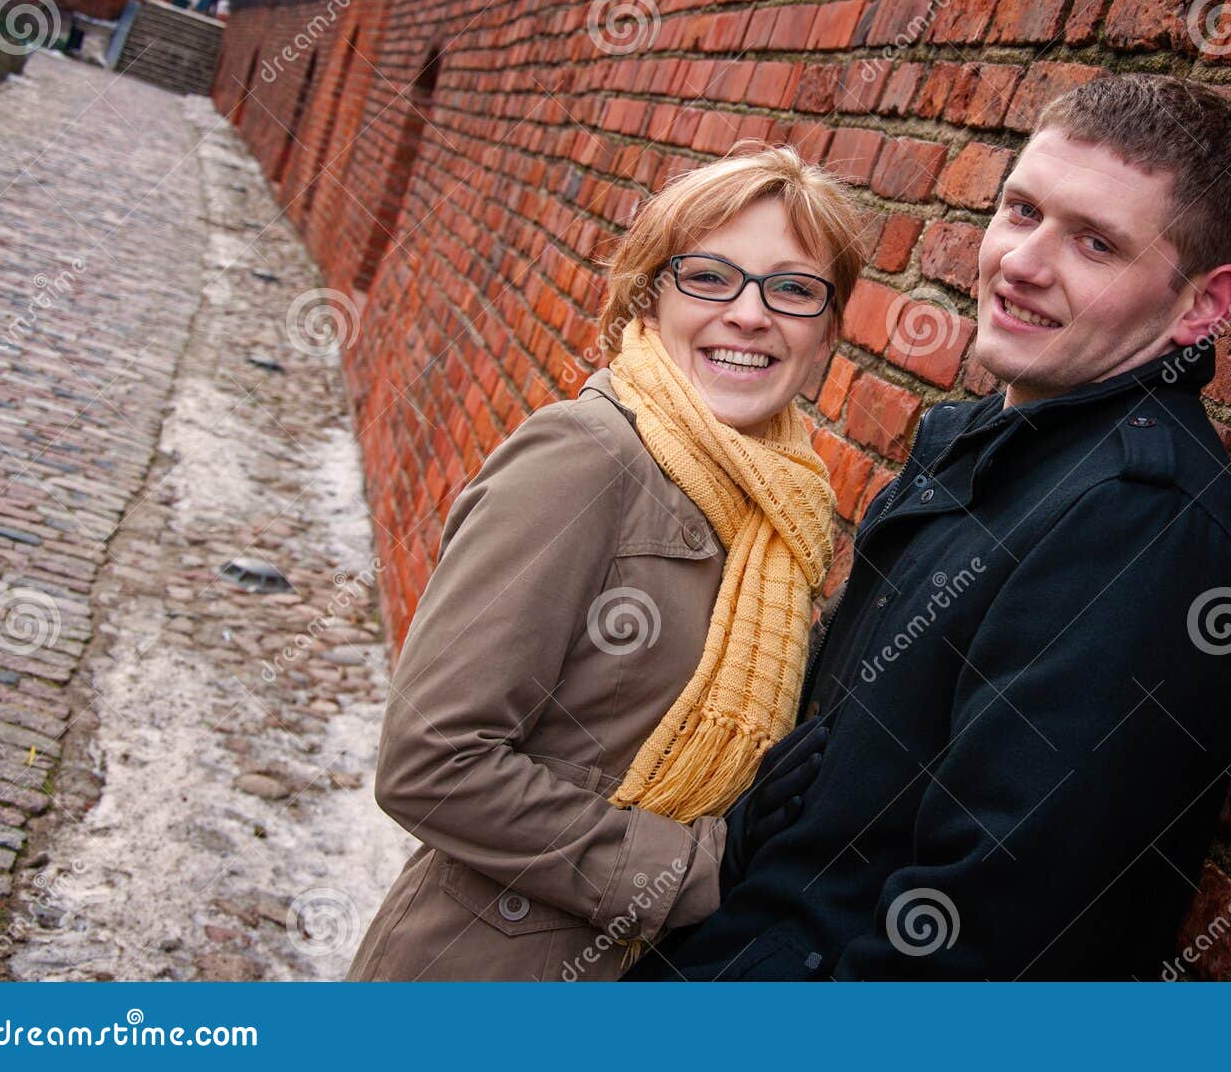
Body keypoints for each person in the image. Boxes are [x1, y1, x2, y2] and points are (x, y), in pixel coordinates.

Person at [626, 72, 1231, 981]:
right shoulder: (993, 442)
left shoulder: (1141, 526)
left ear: (1202, 306)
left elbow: (988, 947)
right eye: (1021, 210)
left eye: (1094, 243)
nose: (1023, 262)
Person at [346, 143, 866, 980]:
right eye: (709, 276)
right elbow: (430, 763)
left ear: (827, 335)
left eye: (794, 290)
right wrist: (697, 869)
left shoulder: (782, 516)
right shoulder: (586, 456)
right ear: (650, 299)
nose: (749, 313)